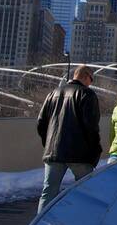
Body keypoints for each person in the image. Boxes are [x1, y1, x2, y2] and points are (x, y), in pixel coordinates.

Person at [36, 64, 102, 214]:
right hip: (80, 154)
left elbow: (41, 123)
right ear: (86, 76)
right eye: (91, 79)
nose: (91, 83)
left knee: (48, 192)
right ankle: (81, 223)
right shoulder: (87, 94)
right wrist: (95, 151)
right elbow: (91, 127)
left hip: (53, 152)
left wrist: (48, 144)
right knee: (85, 191)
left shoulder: (53, 93)